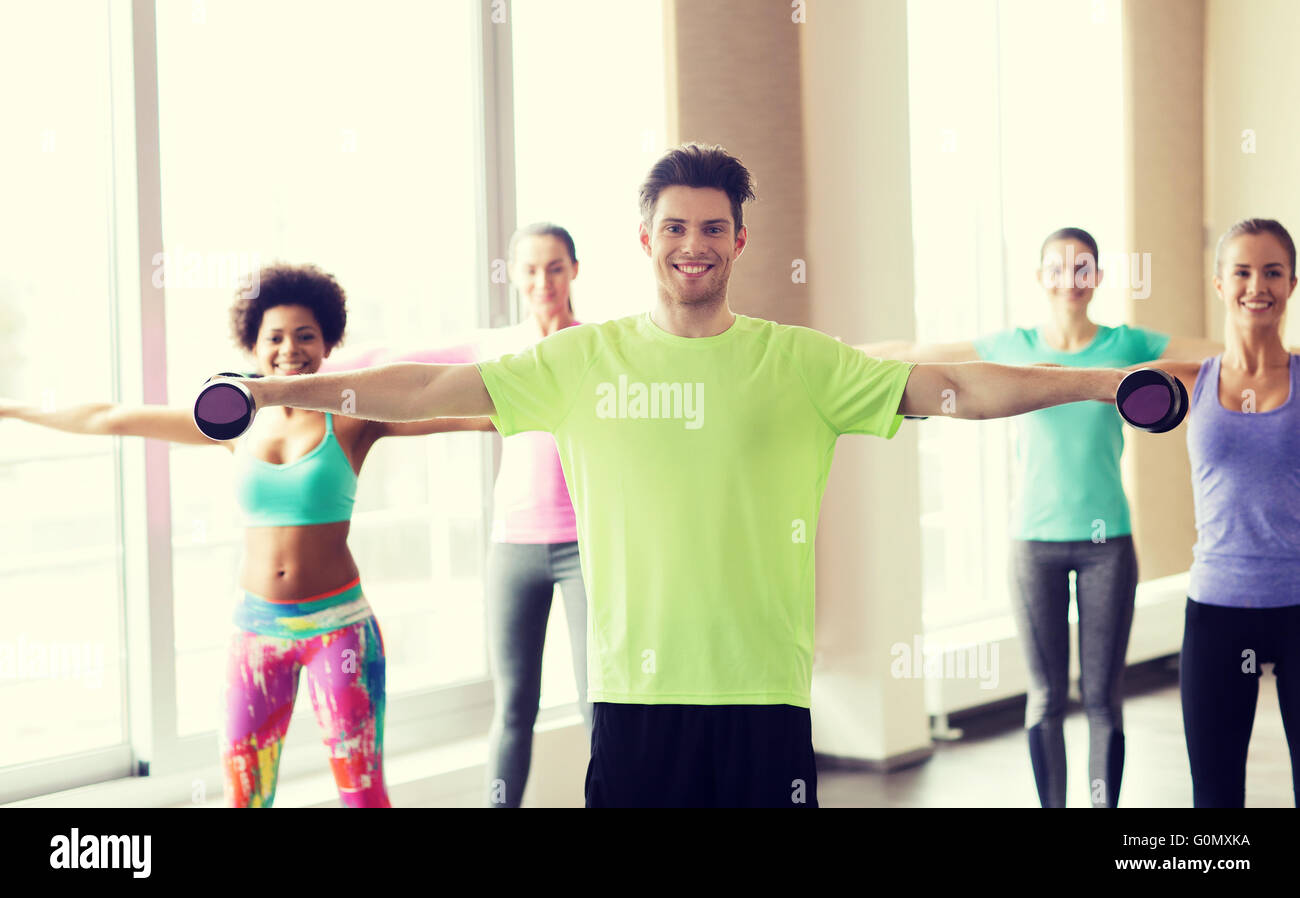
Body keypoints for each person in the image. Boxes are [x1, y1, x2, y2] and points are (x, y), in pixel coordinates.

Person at [215, 144, 1134, 808]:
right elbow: (418, 385)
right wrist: (275, 388)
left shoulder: (803, 364)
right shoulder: (579, 363)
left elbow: (958, 387)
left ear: (740, 240)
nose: (692, 242)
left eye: (712, 226)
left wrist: (1103, 383)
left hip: (762, 697)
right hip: (633, 697)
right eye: (673, 226)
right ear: (644, 239)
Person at [0, 263, 492, 807]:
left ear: (328, 342)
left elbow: (465, 411)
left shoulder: (354, 419)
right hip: (256, 633)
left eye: (306, 335)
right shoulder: (232, 423)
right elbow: (111, 416)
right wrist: (14, 408)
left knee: (362, 796)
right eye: (274, 337)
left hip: (340, 631)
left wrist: (538, 397)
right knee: (245, 798)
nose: (290, 348)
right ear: (252, 348)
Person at [857, 228, 1220, 807]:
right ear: (1040, 278)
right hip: (1033, 542)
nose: (1069, 279)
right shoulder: (1013, 344)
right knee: (1047, 697)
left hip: (1108, 542)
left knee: (1102, 698)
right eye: (1057, 268)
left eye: (1082, 268)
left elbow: (1216, 355)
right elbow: (921, 353)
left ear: (1097, 278)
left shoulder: (1128, 344)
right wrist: (834, 354)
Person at [322, 223, 590, 808]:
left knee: (601, 706)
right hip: (513, 548)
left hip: (586, 549)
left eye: (554, 267)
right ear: (514, 276)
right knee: (515, 706)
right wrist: (299, 372)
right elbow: (398, 358)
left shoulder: (594, 345)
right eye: (529, 269)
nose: (542, 281)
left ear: (574, 269)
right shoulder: (495, 345)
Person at [1138, 219, 1300, 807]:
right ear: (1219, 284)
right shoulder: (1189, 380)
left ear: (1292, 283)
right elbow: (1081, 381)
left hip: (1299, 603)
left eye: (1273, 271)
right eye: (1242, 271)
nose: (1257, 284)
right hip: (1217, 611)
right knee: (1215, 796)